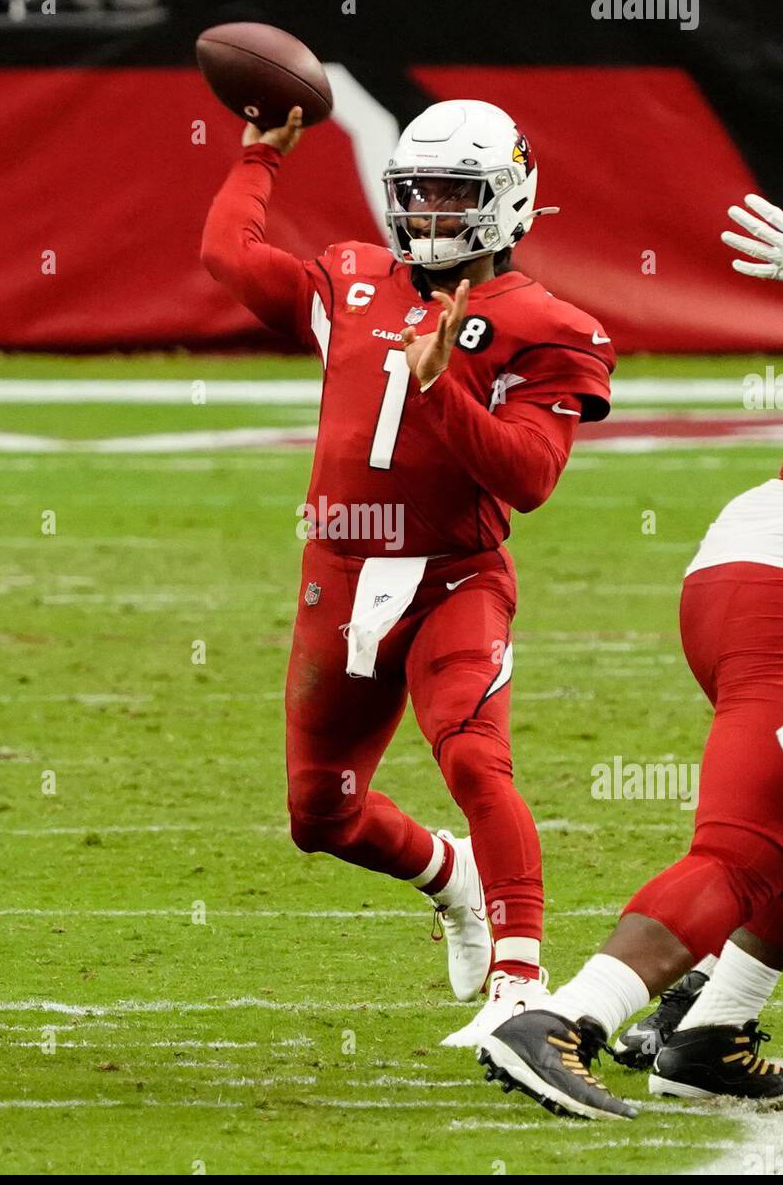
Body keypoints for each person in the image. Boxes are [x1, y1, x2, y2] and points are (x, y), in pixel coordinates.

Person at [201, 98, 614, 1035]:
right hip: (337, 578)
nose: (428, 213)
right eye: (415, 191)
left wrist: (442, 392)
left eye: (452, 193)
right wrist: (258, 157)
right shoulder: (352, 276)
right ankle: (450, 873)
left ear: (508, 200)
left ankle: (522, 989)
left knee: (474, 754)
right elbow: (231, 253)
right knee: (322, 817)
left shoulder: (551, 325)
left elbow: (531, 477)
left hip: (451, 578)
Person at [473, 194, 783, 1120]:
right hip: (773, 592)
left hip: (739, 571)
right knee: (739, 856)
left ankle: (713, 1036)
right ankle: (564, 1020)